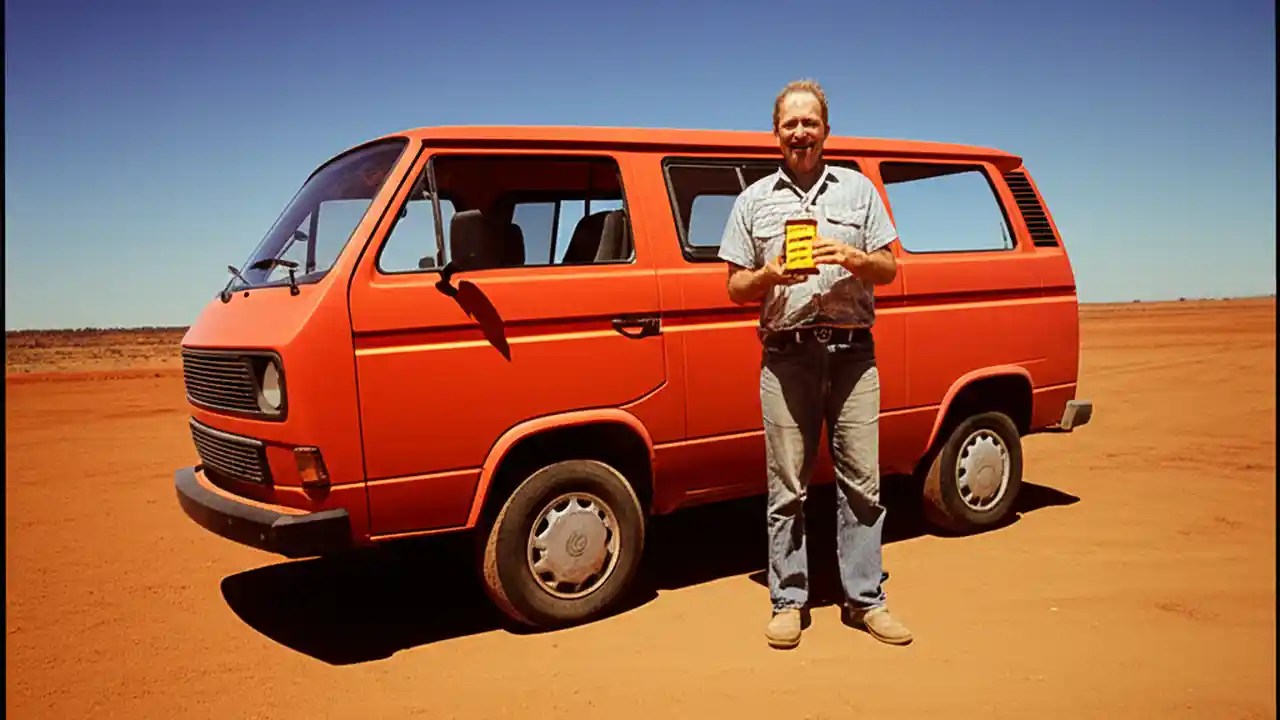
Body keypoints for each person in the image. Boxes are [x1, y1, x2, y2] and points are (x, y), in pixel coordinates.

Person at [718, 79, 913, 649]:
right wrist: (769, 274)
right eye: (790, 124)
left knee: (863, 484)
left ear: (826, 129)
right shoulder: (754, 200)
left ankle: (865, 599)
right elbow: (734, 286)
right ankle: (788, 601)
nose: (800, 132)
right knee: (786, 488)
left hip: (854, 354)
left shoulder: (858, 191)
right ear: (775, 133)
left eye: (810, 122)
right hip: (787, 356)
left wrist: (851, 255)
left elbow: (889, 269)